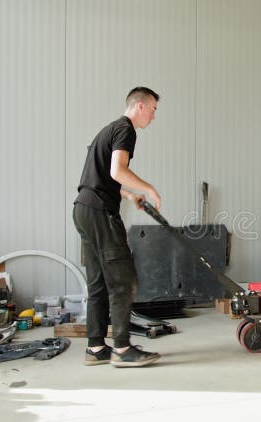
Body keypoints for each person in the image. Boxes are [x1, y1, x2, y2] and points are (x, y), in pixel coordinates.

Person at [73, 87, 162, 367]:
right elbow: (116, 171)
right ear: (140, 106)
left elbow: (102, 178)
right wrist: (148, 189)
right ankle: (122, 350)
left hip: (83, 210)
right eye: (153, 109)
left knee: (98, 282)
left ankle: (96, 348)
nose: (153, 116)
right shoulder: (125, 129)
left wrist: (129, 195)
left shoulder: (108, 130)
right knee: (123, 280)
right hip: (100, 213)